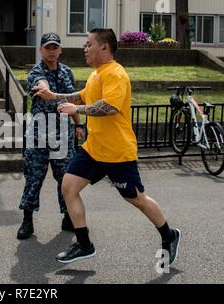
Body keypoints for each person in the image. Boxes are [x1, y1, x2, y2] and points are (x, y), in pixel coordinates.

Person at [33, 28, 181, 265]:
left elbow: (109, 106)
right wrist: (53, 96)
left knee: (136, 199)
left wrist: (77, 110)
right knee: (69, 187)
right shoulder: (96, 74)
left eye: (88, 44)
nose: (85, 48)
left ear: (104, 47)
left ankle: (169, 235)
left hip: (117, 152)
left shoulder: (116, 74)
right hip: (94, 149)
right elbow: (82, 95)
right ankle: (84, 244)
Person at [17, 32, 85, 240]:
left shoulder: (67, 72)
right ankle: (27, 221)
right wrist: (45, 89)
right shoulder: (36, 71)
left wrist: (79, 125)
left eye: (55, 47)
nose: (52, 51)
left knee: (65, 178)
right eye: (48, 47)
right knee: (34, 177)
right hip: (39, 135)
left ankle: (67, 217)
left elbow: (72, 101)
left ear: (60, 50)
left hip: (64, 134)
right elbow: (41, 83)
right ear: (41, 50)